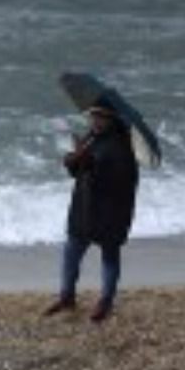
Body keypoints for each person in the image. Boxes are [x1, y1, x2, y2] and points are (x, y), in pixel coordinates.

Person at [44, 103, 141, 323]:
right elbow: (77, 171)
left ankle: (105, 301)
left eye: (101, 117)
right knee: (71, 252)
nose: (95, 121)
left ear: (112, 119)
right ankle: (67, 297)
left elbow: (119, 181)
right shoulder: (92, 138)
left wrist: (87, 160)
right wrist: (74, 159)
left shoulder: (121, 146)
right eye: (93, 116)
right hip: (84, 206)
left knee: (109, 255)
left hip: (111, 211)